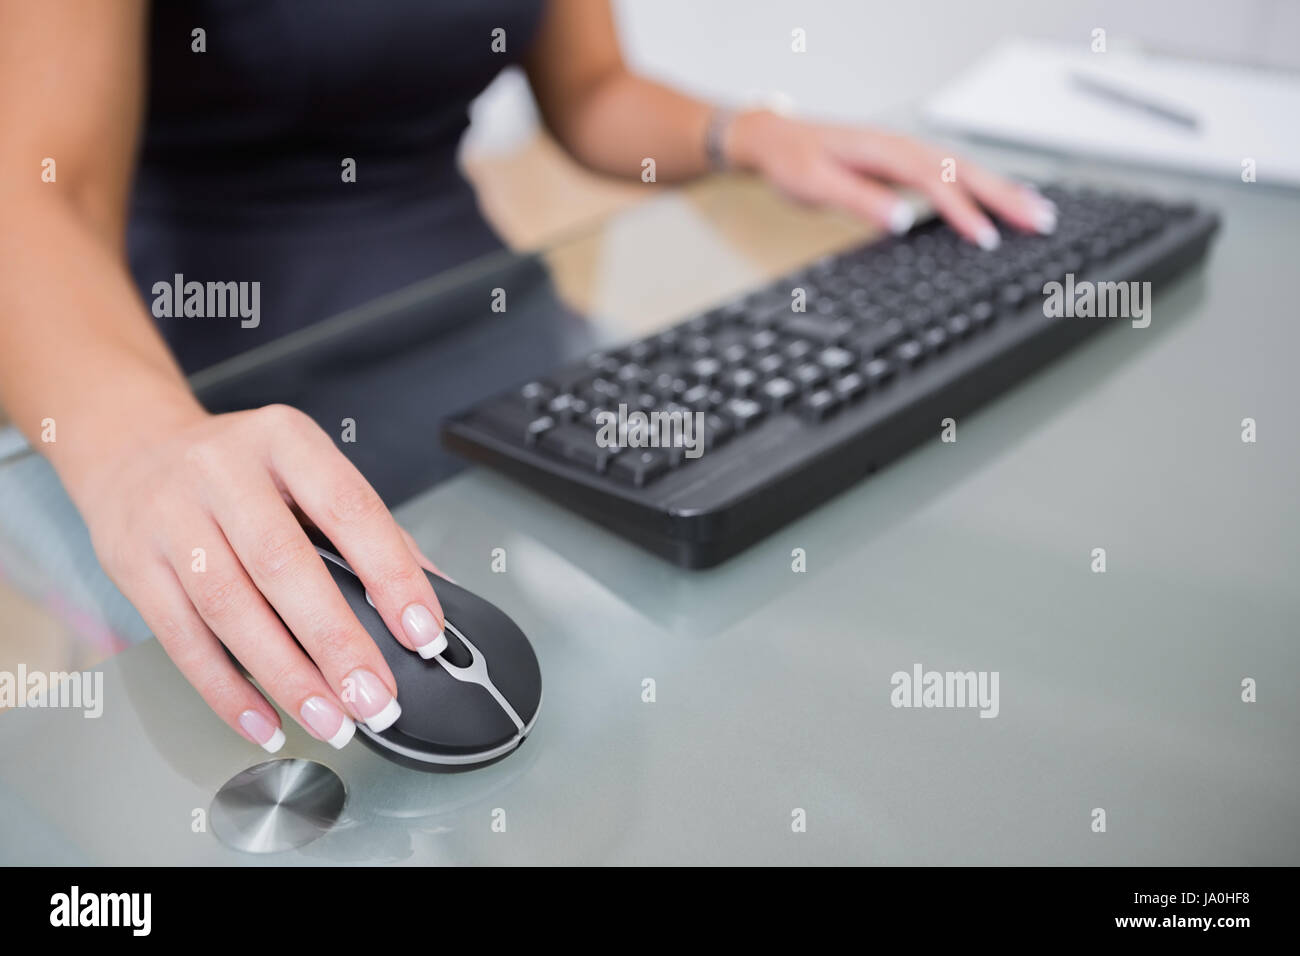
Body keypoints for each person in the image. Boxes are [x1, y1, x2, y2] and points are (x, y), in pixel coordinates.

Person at [0, 0, 1055, 754]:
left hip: (486, 323)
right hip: (176, 368)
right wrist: (137, 445)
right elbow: (33, 188)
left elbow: (591, 92)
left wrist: (751, 132)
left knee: (727, 632)